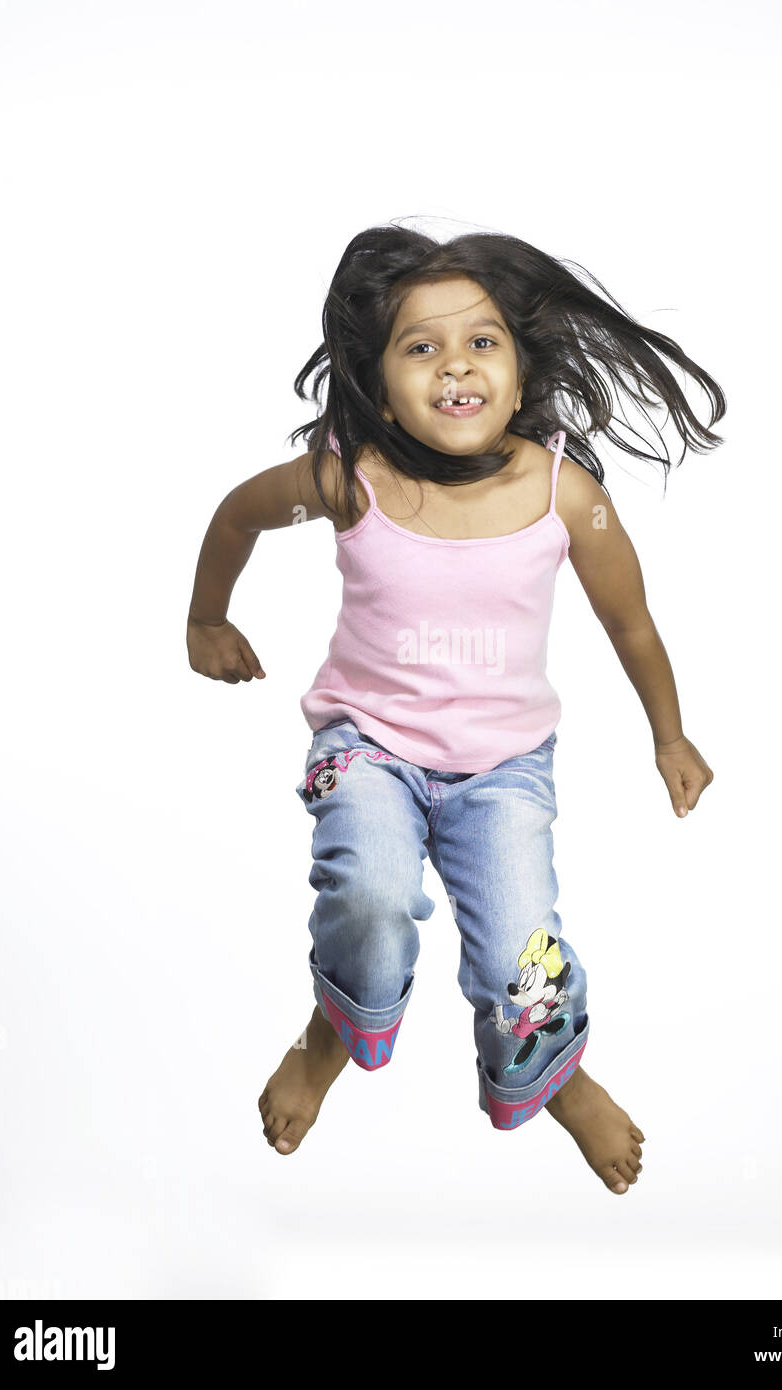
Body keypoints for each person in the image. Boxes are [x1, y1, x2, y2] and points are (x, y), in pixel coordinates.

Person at [186, 224, 722, 1195]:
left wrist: (670, 733)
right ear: (378, 380)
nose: (455, 366)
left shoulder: (570, 496)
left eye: (482, 342)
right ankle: (331, 1033)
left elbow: (630, 621)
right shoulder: (351, 482)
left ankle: (556, 1074)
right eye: (420, 347)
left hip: (504, 767)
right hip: (369, 747)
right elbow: (236, 514)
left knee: (527, 945)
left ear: (521, 376)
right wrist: (206, 620)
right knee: (371, 896)